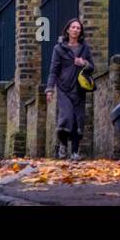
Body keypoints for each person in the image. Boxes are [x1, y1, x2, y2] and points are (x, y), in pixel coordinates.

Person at [46, 17, 95, 160]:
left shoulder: (84, 48)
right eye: (73, 27)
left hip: (79, 89)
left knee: (78, 120)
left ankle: (74, 152)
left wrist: (83, 62)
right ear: (68, 30)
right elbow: (53, 70)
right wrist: (49, 89)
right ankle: (62, 145)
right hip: (63, 88)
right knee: (66, 118)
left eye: (78, 28)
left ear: (80, 32)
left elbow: (92, 67)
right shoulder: (59, 48)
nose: (75, 30)